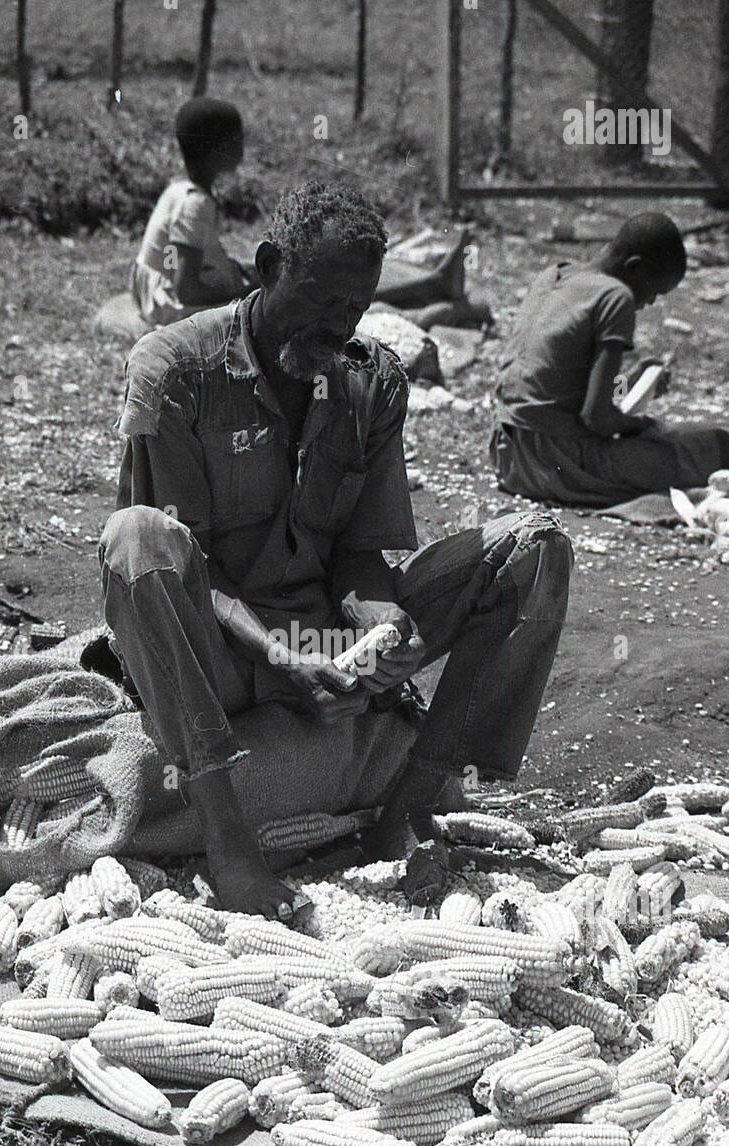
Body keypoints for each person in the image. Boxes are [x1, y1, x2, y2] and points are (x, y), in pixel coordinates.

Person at [100, 180, 573, 919]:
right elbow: (187, 562)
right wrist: (283, 655)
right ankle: (228, 843)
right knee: (136, 537)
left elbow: (360, 556)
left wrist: (379, 628)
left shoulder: (370, 380)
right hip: (221, 651)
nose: (335, 326)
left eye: (353, 307)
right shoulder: (173, 371)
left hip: (318, 636)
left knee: (532, 548)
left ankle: (405, 812)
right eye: (320, 299)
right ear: (265, 266)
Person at [491, 212, 729, 507]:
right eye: (655, 291)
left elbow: (555, 386)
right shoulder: (616, 296)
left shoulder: (556, 274)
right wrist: (641, 425)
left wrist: (629, 382)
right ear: (634, 267)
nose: (651, 302)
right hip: (555, 464)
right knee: (715, 444)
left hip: (508, 456)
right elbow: (596, 418)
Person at [131, 97, 256, 327]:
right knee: (255, 309)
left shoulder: (180, 189)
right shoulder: (195, 205)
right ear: (218, 150)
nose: (242, 147)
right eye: (237, 140)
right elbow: (186, 290)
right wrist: (243, 294)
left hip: (153, 284)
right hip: (166, 303)